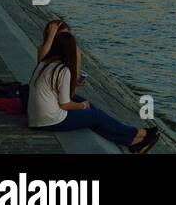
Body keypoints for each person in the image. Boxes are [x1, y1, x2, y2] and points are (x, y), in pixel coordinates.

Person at [29, 20, 159, 154]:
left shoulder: (45, 62)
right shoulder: (62, 70)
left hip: (39, 116)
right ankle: (141, 133)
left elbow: (66, 93)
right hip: (49, 120)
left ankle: (133, 142)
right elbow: (65, 105)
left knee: (93, 114)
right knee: (95, 115)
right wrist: (82, 106)